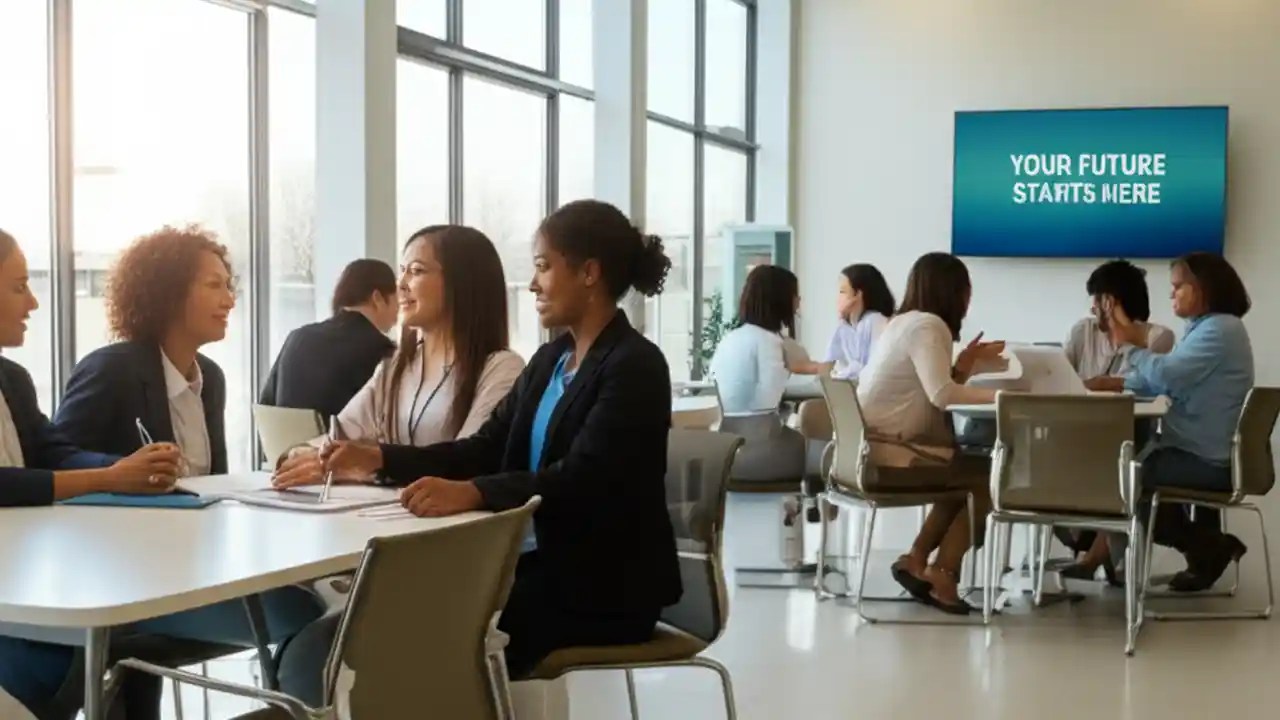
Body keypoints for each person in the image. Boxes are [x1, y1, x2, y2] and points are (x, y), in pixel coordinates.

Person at [294, 199, 681, 680]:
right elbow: (483, 448)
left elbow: (587, 479)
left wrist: (475, 491)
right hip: (536, 564)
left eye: (543, 267)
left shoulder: (635, 365)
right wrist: (379, 457)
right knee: (400, 615)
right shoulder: (550, 362)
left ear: (589, 273)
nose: (534, 283)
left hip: (602, 586)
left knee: (424, 626)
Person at [51, 226, 324, 718]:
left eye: (229, 285)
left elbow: (206, 489)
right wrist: (120, 470)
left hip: (195, 571)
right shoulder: (113, 368)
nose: (229, 299)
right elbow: (54, 455)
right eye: (213, 285)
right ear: (170, 291)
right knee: (305, 612)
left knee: (311, 608)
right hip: (126, 578)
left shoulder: (210, 378)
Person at [0, 229, 184, 719]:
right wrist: (106, 479)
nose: (34, 302)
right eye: (19, 287)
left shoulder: (12, 379)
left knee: (97, 636)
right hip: (14, 602)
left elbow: (53, 450)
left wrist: (122, 468)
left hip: (23, 578)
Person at [271, 226, 525, 490]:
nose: (401, 284)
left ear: (462, 283)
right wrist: (300, 455)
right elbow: (340, 434)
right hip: (391, 518)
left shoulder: (501, 368)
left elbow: (465, 462)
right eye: (402, 270)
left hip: (452, 527)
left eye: (416, 271)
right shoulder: (394, 368)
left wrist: (369, 468)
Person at [1063, 253, 1253, 592]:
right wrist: (1114, 382)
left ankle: (1208, 548)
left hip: (1205, 459)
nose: (1172, 295)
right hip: (1194, 451)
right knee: (1126, 473)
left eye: (1179, 287)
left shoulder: (1220, 330)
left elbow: (1168, 374)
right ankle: (1206, 548)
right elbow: (1161, 379)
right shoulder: (1207, 329)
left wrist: (1131, 347)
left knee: (1120, 479)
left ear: (1203, 289)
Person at [856, 252, 1005, 613]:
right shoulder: (928, 326)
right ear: (955, 292)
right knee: (991, 478)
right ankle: (943, 573)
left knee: (965, 475)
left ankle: (916, 560)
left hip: (870, 451)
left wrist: (964, 367)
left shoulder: (902, 323)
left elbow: (931, 390)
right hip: (894, 455)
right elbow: (941, 395)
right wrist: (1005, 395)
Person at [259, 258, 398, 423]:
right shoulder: (382, 350)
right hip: (341, 447)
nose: (398, 311)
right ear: (378, 298)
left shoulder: (297, 337)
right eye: (397, 298)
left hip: (289, 448)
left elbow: (266, 405)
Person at [711, 265, 821, 416]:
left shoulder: (730, 338)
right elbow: (768, 402)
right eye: (795, 294)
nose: (798, 301)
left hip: (726, 427)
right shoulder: (769, 343)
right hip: (758, 430)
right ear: (782, 299)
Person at [1064, 259, 1175, 391]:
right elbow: (1058, 381)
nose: (1092, 310)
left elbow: (1145, 385)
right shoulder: (1083, 331)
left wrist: (1101, 384)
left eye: (1096, 300)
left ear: (1108, 302)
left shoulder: (1158, 337)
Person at [826, 263, 895, 380]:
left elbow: (874, 367)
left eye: (843, 291)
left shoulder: (875, 320)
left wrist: (841, 374)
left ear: (858, 294)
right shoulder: (845, 325)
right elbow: (830, 364)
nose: (838, 298)